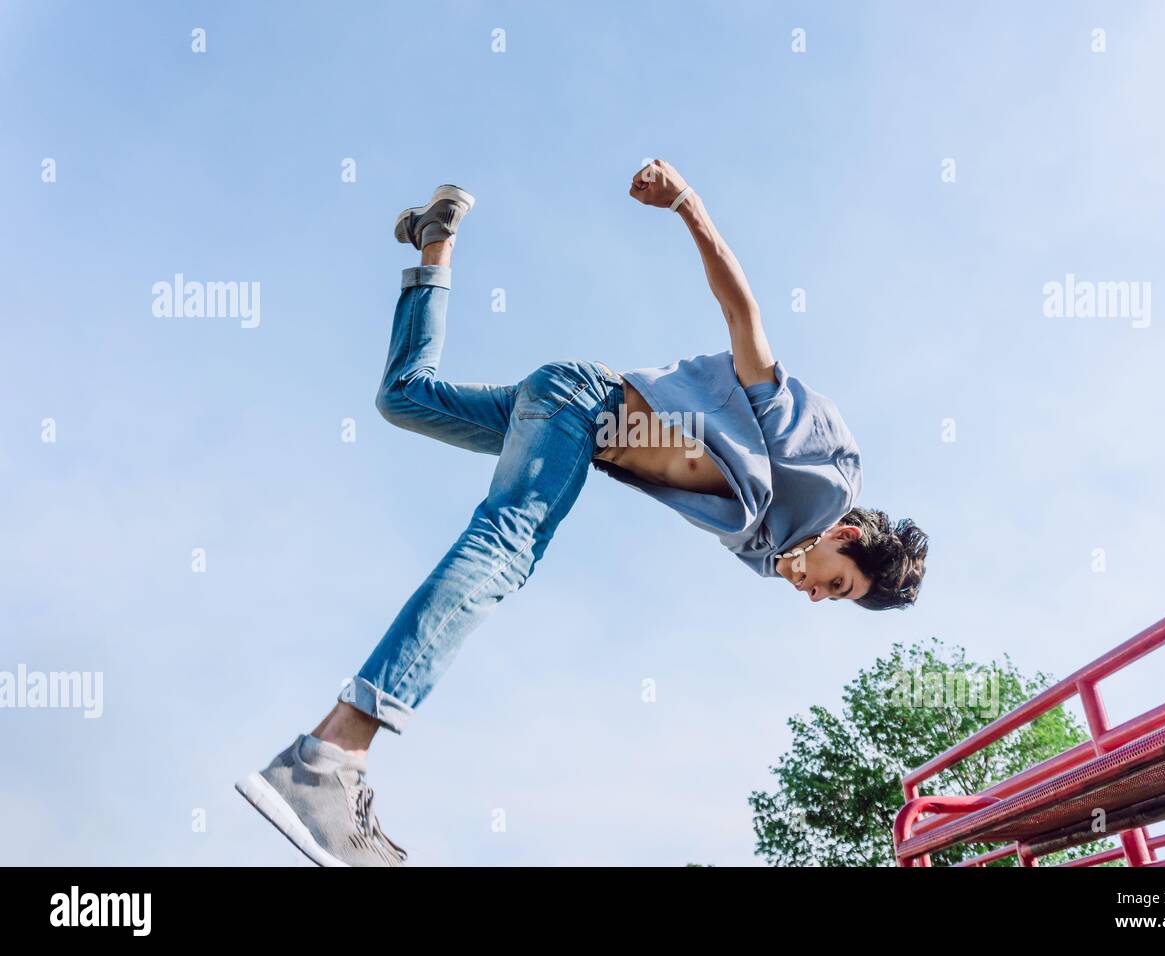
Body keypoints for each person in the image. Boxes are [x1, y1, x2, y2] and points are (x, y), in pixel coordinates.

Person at [235, 160, 929, 866]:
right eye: (835, 583)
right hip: (584, 404)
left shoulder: (766, 550)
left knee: (405, 397)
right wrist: (686, 202)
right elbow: (743, 317)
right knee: (507, 546)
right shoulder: (819, 475)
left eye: (831, 600)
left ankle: (434, 240)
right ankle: (329, 759)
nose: (814, 595)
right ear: (844, 534)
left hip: (567, 416)